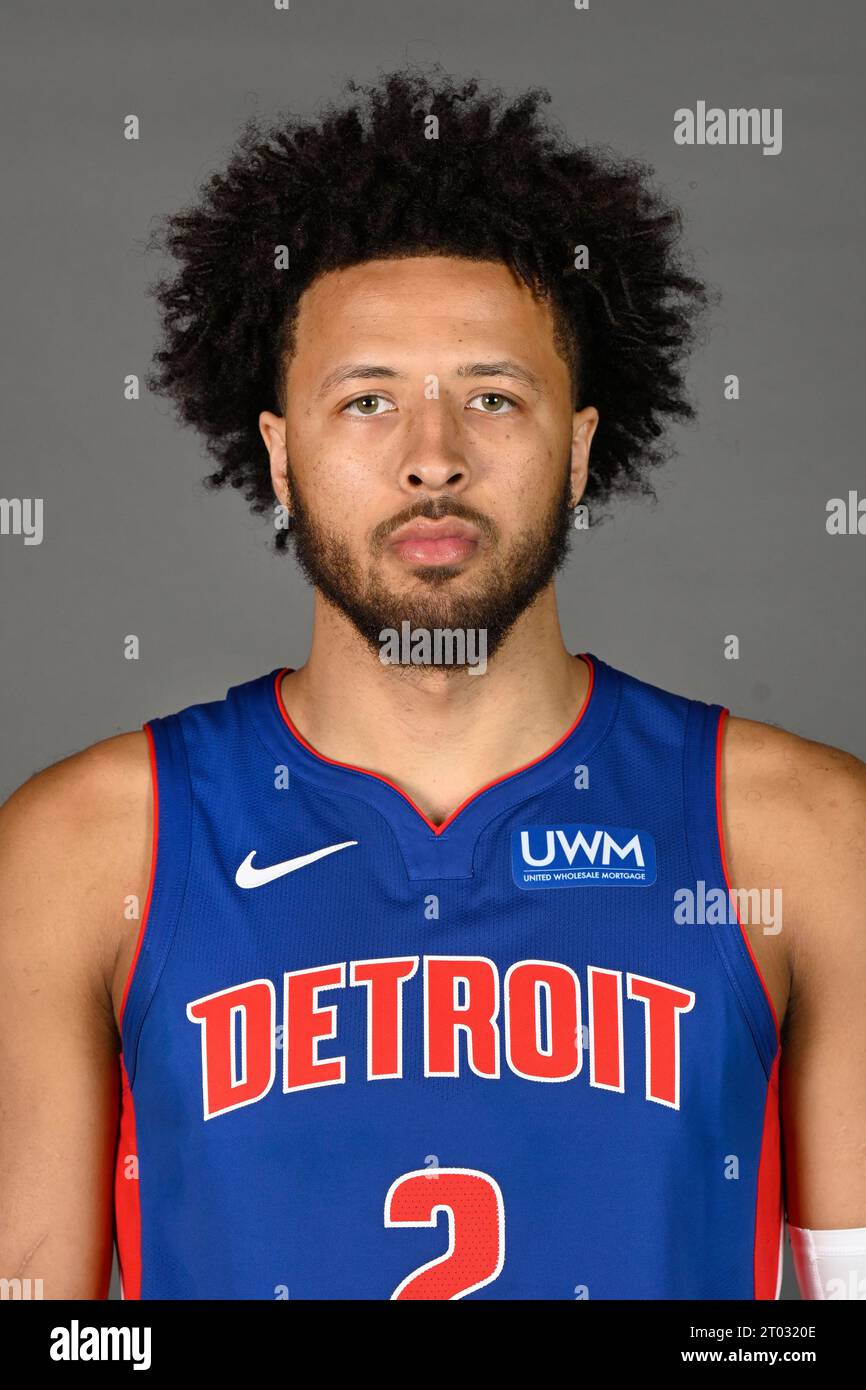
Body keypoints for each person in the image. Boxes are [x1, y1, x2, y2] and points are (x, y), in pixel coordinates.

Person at [1, 69, 864, 1301]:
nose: (432, 458)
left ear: (575, 449)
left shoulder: (807, 836)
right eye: (366, 402)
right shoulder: (86, 849)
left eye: (491, 397)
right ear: (279, 455)